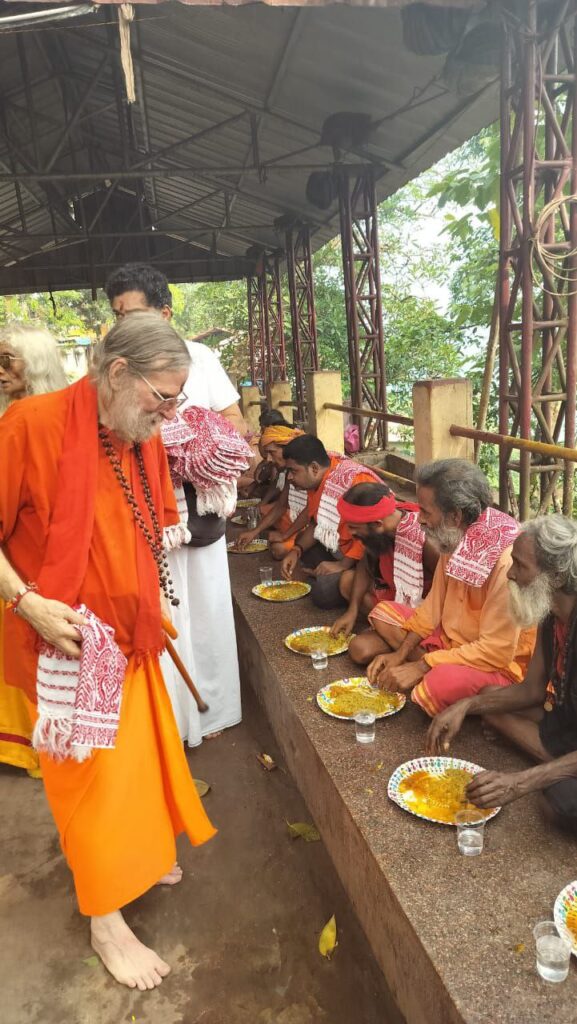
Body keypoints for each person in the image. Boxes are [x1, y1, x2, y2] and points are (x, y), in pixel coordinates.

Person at [0, 313, 215, 991]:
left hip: (132, 637)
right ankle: (104, 917)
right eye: (162, 397)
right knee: (89, 787)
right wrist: (26, 601)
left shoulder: (136, 429)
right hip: (62, 645)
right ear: (117, 374)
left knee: (139, 767)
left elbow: (144, 527)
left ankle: (140, 856)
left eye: (177, 399)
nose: (168, 414)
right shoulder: (28, 426)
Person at [105, 263, 245, 747]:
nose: (123, 323)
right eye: (117, 314)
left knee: (203, 608)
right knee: (151, 610)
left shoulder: (202, 358)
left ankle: (212, 712)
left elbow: (236, 421)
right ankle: (161, 721)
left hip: (197, 508)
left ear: (164, 313)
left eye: (133, 312)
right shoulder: (110, 365)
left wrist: (196, 438)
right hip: (136, 513)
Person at [427, 515, 577, 832]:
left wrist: (518, 783)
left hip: (565, 730)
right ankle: (556, 762)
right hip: (564, 719)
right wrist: (465, 706)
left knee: (560, 804)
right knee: (486, 698)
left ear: (556, 574)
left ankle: (555, 767)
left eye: (520, 566)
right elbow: (531, 690)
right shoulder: (551, 611)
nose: (510, 574)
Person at [350, 459, 535, 715]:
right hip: (451, 641)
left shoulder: (506, 562)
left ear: (455, 515)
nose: (419, 519)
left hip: (495, 663)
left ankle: (445, 678)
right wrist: (401, 655)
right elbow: (431, 607)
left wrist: (421, 666)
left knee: (436, 687)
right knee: (384, 613)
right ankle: (434, 667)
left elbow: (496, 651)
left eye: (425, 512)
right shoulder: (454, 535)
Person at [0, 324, 68, 778]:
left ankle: (38, 748)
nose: (1, 370)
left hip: (31, 555)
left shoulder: (23, 420)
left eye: (9, 360)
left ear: (36, 363)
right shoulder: (52, 413)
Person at [280, 434, 380, 609]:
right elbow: (317, 522)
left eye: (294, 471)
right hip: (339, 549)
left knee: (322, 594)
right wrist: (296, 550)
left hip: (365, 558)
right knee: (302, 548)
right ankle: (324, 574)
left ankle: (341, 579)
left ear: (314, 468)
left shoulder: (356, 480)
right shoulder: (318, 480)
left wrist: (343, 564)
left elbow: (371, 536)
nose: (289, 477)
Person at [330, 481, 438, 638]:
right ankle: (386, 628)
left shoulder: (426, 541)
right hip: (392, 596)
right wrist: (352, 611)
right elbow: (365, 563)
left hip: (424, 610)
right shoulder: (383, 527)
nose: (349, 532)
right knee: (347, 581)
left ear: (377, 524)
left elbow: (444, 596)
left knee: (361, 650)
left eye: (353, 527)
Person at [236, 422, 308, 559]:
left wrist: (285, 535)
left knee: (278, 549)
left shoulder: (305, 468)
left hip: (310, 528)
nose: (269, 459)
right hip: (299, 520)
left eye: (272, 453)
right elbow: (281, 504)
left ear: (287, 449)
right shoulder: (289, 471)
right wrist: (254, 532)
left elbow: (309, 512)